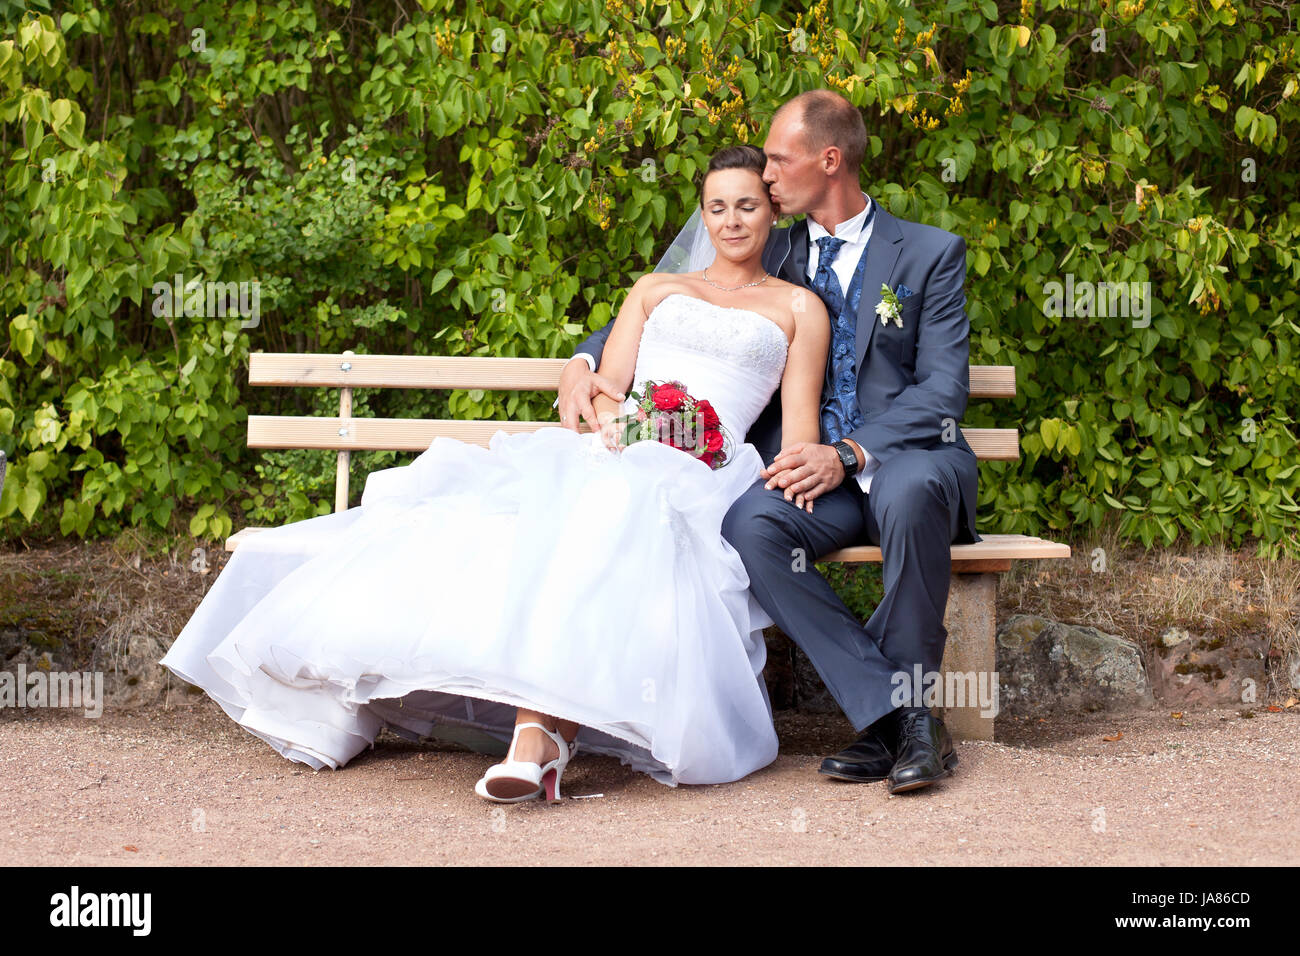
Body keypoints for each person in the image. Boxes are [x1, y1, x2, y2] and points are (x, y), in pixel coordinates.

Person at [160, 145, 831, 801]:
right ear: (702, 214)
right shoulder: (659, 290)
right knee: (517, 527)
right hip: (619, 450)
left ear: (771, 209)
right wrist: (617, 418)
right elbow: (609, 384)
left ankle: (539, 741)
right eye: (717, 207)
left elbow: (798, 432)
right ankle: (535, 739)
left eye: (746, 205)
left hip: (704, 470)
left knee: (613, 521)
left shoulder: (798, 308)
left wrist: (693, 437)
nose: (732, 221)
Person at [558, 90, 980, 794]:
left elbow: (942, 393)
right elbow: (684, 299)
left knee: (907, 495)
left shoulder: (929, 255)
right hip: (804, 472)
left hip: (902, 460)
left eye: (781, 160)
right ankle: (896, 714)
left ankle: (903, 719)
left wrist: (848, 453)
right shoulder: (772, 245)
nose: (768, 175)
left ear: (830, 159)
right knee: (749, 524)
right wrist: (583, 360)